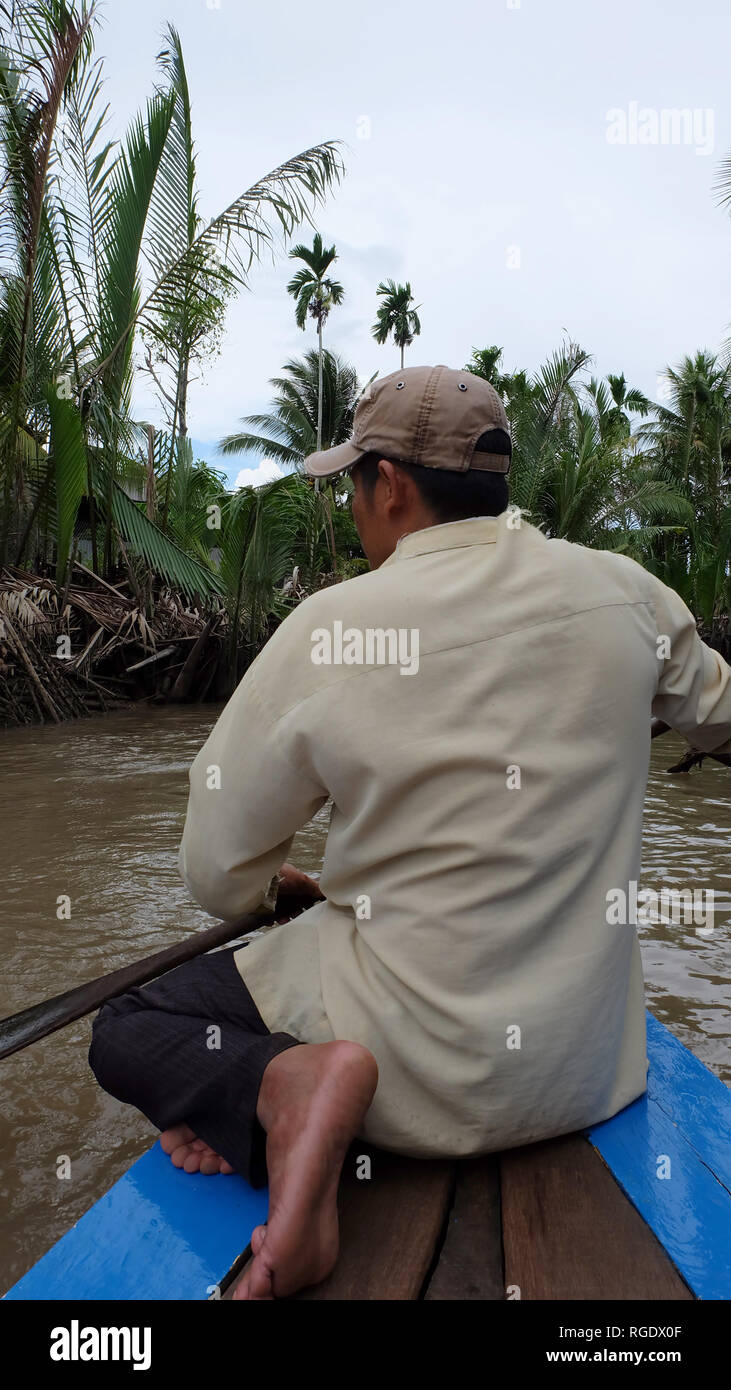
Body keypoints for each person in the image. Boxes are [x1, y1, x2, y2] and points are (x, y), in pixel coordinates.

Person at [89, 363, 731, 1301]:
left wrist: (275, 894)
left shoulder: (331, 630)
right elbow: (717, 716)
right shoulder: (625, 594)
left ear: (387, 484)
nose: (354, 507)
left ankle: (283, 1089)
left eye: (353, 483)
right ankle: (285, 1087)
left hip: (403, 1086)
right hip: (588, 1075)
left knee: (131, 1023)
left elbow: (214, 865)